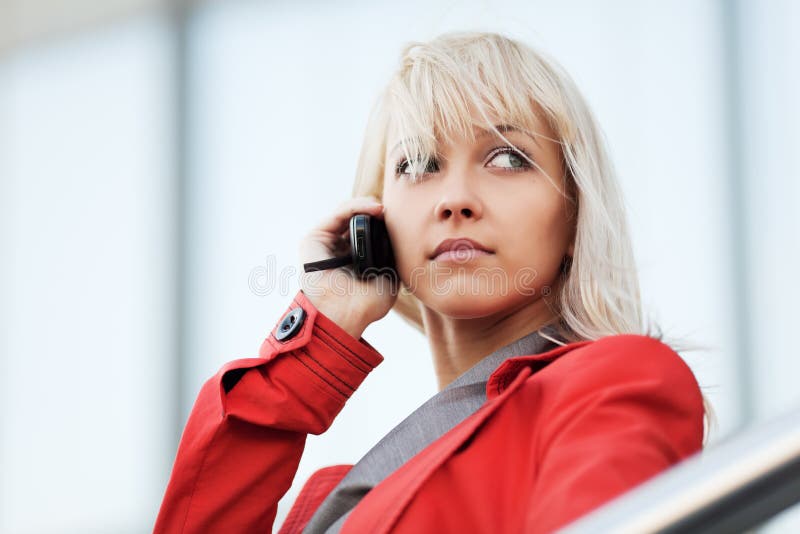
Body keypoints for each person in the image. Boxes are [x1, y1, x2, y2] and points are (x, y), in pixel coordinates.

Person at [153, 31, 713, 533]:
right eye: (418, 164)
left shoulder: (618, 380)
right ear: (374, 219)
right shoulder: (339, 496)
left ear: (574, 214)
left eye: (507, 157)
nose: (455, 200)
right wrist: (311, 343)